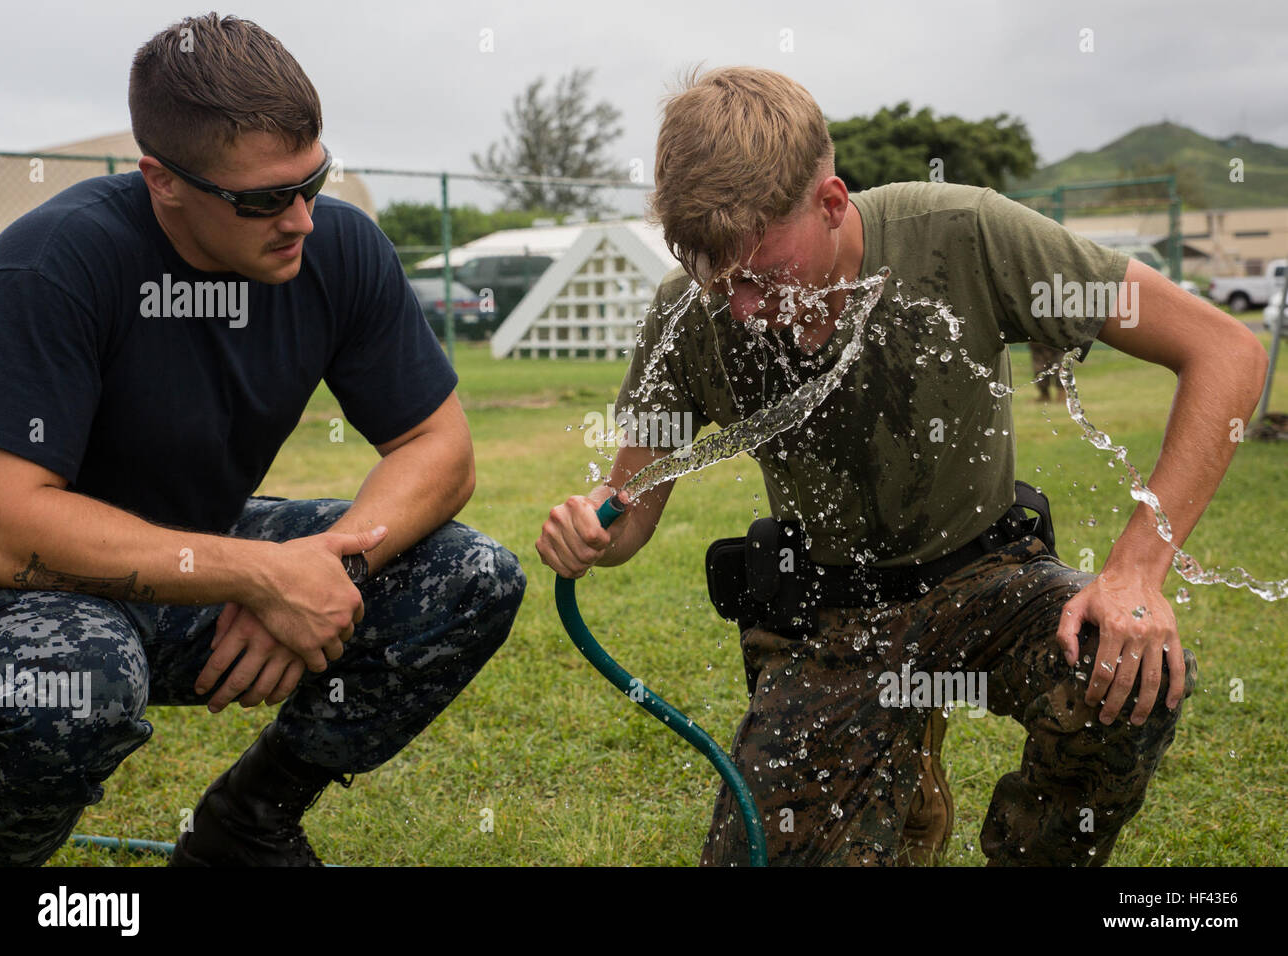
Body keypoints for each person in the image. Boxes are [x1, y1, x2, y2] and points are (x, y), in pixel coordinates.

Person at [537, 67, 1267, 866]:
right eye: (718, 276)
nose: (741, 305)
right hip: (830, 608)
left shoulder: (964, 234)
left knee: (1121, 675)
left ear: (831, 202)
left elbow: (1224, 350)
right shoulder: (690, 312)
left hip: (987, 574)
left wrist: (1135, 570)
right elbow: (631, 501)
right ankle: (901, 771)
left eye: (761, 274)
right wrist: (593, 531)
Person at [0, 13, 525, 867]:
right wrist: (254, 574)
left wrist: (324, 573)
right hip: (30, 593)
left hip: (198, 572)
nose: (302, 218)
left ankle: (245, 828)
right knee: (76, 684)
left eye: (315, 181)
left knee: (469, 575)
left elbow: (439, 445)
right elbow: (7, 529)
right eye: (264, 199)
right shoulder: (54, 264)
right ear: (162, 181)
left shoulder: (336, 249)